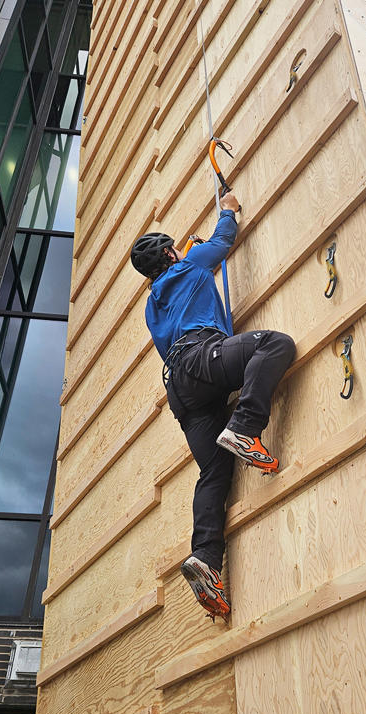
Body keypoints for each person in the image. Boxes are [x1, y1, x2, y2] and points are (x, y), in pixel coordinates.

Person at [130, 191, 295, 620]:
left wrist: (190, 257)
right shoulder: (189, 265)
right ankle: (246, 426)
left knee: (214, 471)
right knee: (275, 344)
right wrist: (229, 209)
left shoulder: (153, 304)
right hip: (202, 358)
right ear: (171, 253)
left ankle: (205, 558)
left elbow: (193, 282)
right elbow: (222, 244)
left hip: (182, 392)